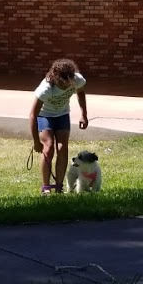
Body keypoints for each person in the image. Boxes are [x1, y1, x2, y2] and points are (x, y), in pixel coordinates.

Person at [29, 58, 88, 195]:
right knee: (48, 147)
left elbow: (81, 92)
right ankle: (46, 188)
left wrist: (84, 114)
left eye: (69, 83)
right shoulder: (46, 89)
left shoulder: (77, 79)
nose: (67, 86)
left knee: (62, 148)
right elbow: (33, 114)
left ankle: (59, 186)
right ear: (56, 78)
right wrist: (36, 141)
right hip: (45, 116)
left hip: (62, 115)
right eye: (63, 83)